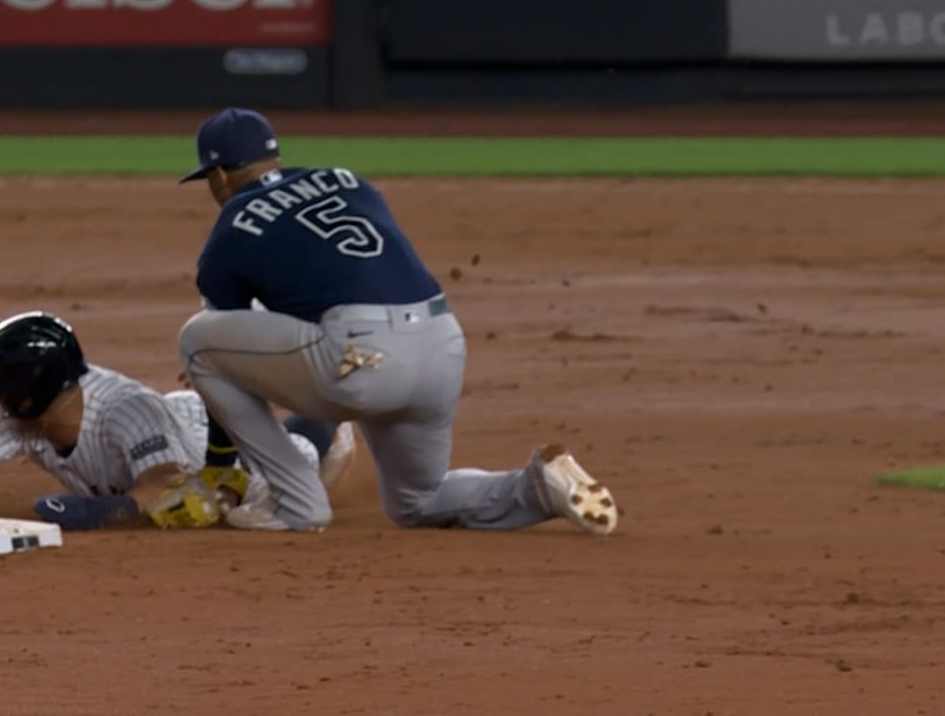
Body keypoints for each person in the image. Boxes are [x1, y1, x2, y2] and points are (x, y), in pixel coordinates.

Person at [175, 107, 619, 534]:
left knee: (199, 340)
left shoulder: (234, 222)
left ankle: (293, 502)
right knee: (418, 501)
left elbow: (220, 350)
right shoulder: (349, 181)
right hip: (441, 347)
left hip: (361, 357)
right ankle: (540, 486)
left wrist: (218, 467)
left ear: (217, 175)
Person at [0, 310, 356, 531]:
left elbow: (163, 484)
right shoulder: (23, 416)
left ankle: (331, 400)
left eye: (4, 391)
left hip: (227, 454)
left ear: (33, 393)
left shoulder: (125, 411)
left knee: (298, 458)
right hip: (181, 426)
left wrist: (93, 514)